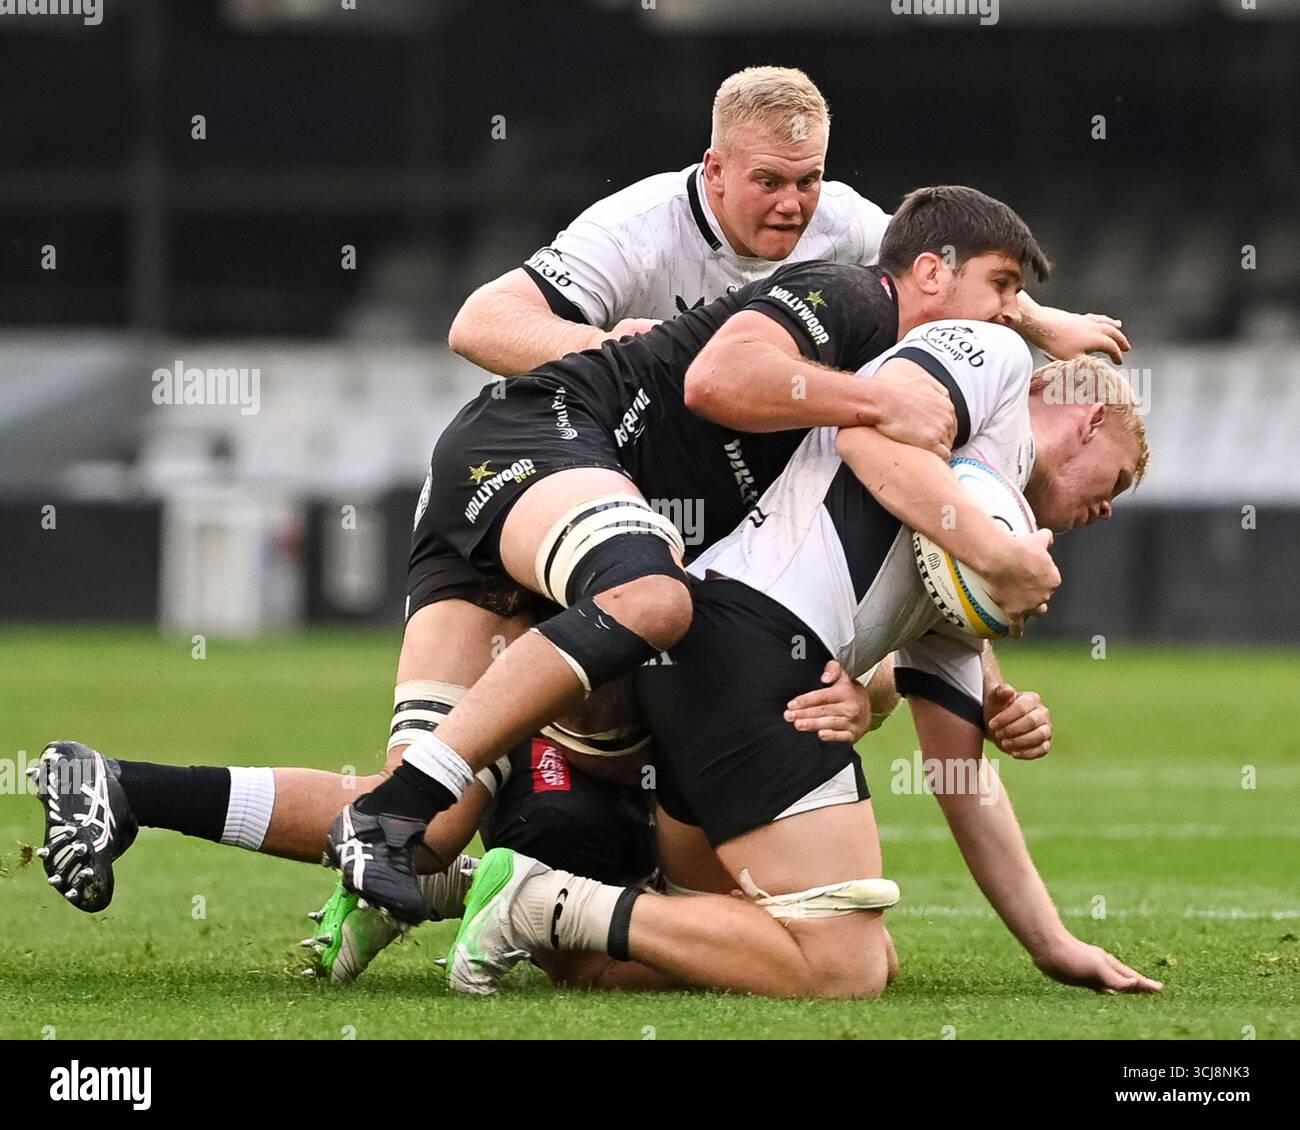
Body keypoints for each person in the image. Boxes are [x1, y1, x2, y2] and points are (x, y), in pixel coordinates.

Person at [324, 186, 1061, 923]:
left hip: (612, 544)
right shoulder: (851, 295)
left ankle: (429, 868)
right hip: (539, 434)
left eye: (811, 180)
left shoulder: (872, 351)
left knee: (486, 841)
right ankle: (405, 815)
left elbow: (858, 580)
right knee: (653, 606)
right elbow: (707, 380)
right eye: (1001, 287)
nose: (1007, 314)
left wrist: (882, 691)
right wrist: (968, 516)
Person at [445, 342, 1161, 1000]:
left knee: (727, 943)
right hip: (750, 652)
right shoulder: (993, 365)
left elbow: (961, 779)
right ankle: (540, 900)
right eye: (1118, 479)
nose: (1106, 508)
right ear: (1089, 417)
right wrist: (1003, 560)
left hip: (714, 668)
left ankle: (477, 895)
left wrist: (1051, 943)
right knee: (845, 967)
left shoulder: (969, 549)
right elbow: (866, 434)